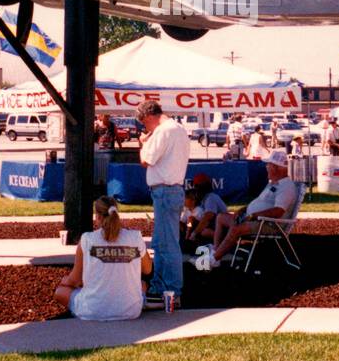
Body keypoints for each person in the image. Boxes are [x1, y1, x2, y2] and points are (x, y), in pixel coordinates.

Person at [198, 149, 300, 269]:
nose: (266, 167)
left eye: (268, 164)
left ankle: (213, 259)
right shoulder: (273, 183)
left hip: (267, 224)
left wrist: (255, 215)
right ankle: (216, 251)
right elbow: (260, 202)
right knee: (221, 217)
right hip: (253, 219)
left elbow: (278, 211)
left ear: (276, 167)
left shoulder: (286, 186)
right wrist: (243, 210)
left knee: (236, 229)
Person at [54, 196, 151, 321]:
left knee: (60, 292)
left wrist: (64, 281)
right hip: (130, 311)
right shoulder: (135, 237)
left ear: (98, 216)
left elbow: (75, 280)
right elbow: (148, 270)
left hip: (92, 310)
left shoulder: (87, 239)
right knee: (142, 284)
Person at [137, 100, 190, 308]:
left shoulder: (162, 132)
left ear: (148, 117)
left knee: (166, 245)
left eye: (144, 124)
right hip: (172, 190)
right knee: (162, 243)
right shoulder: (178, 130)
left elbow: (146, 160)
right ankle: (161, 287)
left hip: (165, 191)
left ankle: (171, 291)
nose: (145, 129)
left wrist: (144, 142)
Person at [181, 173, 228, 247]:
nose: (195, 189)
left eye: (196, 186)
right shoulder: (205, 199)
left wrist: (194, 234)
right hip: (215, 227)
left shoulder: (210, 198)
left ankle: (225, 241)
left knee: (203, 231)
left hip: (222, 229)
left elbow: (208, 217)